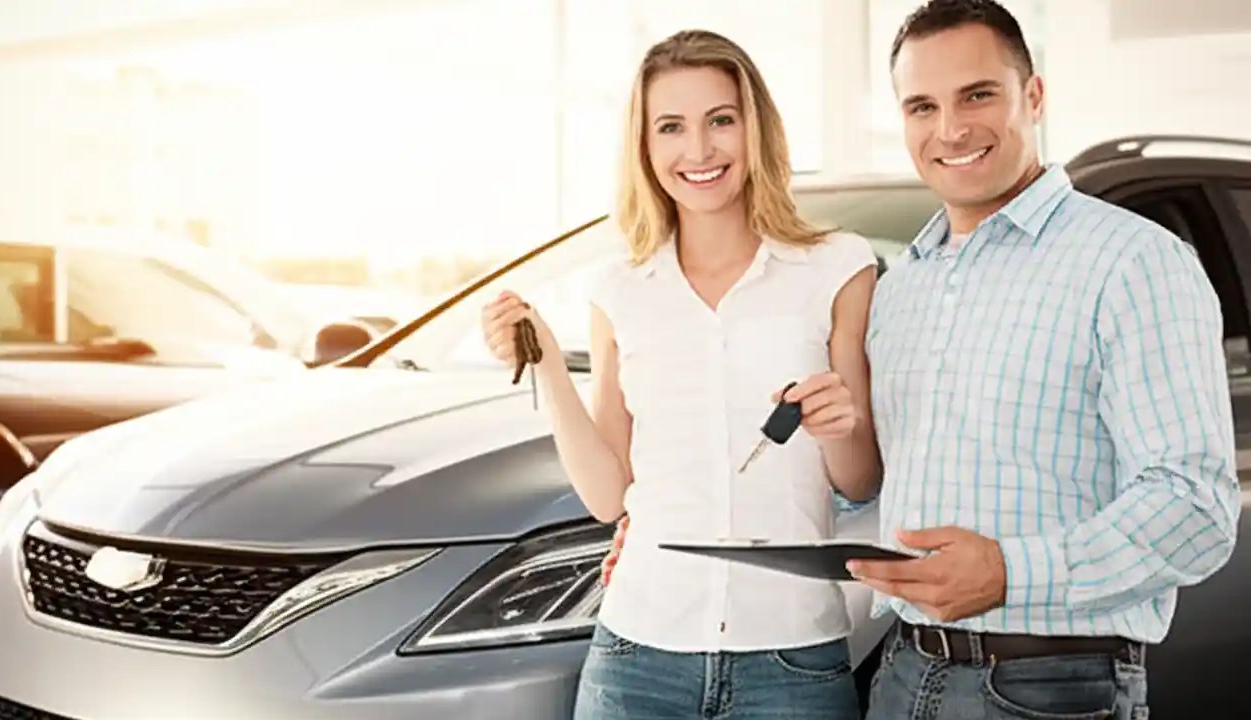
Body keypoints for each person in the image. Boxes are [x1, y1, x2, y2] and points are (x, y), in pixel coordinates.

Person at [843, 1, 1241, 718]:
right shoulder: (902, 289)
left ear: (1034, 96)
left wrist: (1008, 573)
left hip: (1048, 688)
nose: (951, 129)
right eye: (922, 106)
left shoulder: (1133, 262)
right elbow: (879, 489)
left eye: (978, 95)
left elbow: (1196, 507)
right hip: (902, 674)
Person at [480, 29, 882, 720]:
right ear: (645, 146)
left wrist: (840, 422)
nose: (698, 151)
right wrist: (545, 358)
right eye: (671, 127)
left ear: (756, 129)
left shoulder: (837, 268)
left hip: (792, 661)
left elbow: (858, 479)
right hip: (638, 658)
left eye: (720, 120)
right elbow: (609, 495)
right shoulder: (620, 289)